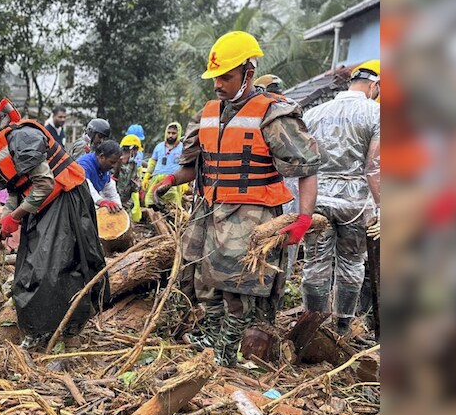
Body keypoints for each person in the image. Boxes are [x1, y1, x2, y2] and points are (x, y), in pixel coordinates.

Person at [151, 31, 321, 366]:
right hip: (208, 212)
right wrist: (169, 180)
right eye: (215, 78)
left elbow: (307, 169)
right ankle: (210, 341)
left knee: (239, 290)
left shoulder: (273, 115)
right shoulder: (208, 113)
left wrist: (302, 218)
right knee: (203, 282)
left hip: (251, 215)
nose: (218, 85)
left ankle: (227, 353)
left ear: (248, 73)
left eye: (226, 77)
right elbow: (193, 166)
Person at [0, 86, 108, 348]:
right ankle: (41, 329)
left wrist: (15, 216)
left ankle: (64, 331)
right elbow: (16, 188)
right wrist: (5, 221)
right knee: (28, 269)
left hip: (66, 199)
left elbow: (44, 185)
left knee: (52, 268)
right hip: (43, 204)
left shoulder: (23, 137)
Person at [301, 61, 381, 337]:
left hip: (318, 199)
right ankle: (343, 326)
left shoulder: (314, 113)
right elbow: (374, 168)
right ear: (374, 87)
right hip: (356, 204)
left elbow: (304, 163)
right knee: (351, 263)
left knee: (315, 263)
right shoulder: (377, 113)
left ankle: (314, 326)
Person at [143, 121, 186, 209]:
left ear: (178, 133)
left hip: (173, 180)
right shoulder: (159, 146)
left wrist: (185, 182)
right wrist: (147, 176)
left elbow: (186, 165)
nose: (170, 135)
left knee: (173, 206)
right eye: (169, 133)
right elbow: (153, 162)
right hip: (156, 179)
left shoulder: (183, 148)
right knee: (150, 202)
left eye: (173, 133)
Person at [78, 140, 124, 212]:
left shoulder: (104, 170)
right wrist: (101, 201)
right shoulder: (84, 165)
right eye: (112, 162)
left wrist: (120, 210)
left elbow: (111, 194)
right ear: (102, 156)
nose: (114, 166)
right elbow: (86, 187)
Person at [116, 135, 143, 218]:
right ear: (132, 149)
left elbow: (134, 185)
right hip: (113, 202)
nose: (137, 153)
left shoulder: (133, 166)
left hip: (126, 204)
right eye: (136, 150)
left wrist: (138, 186)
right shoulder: (115, 162)